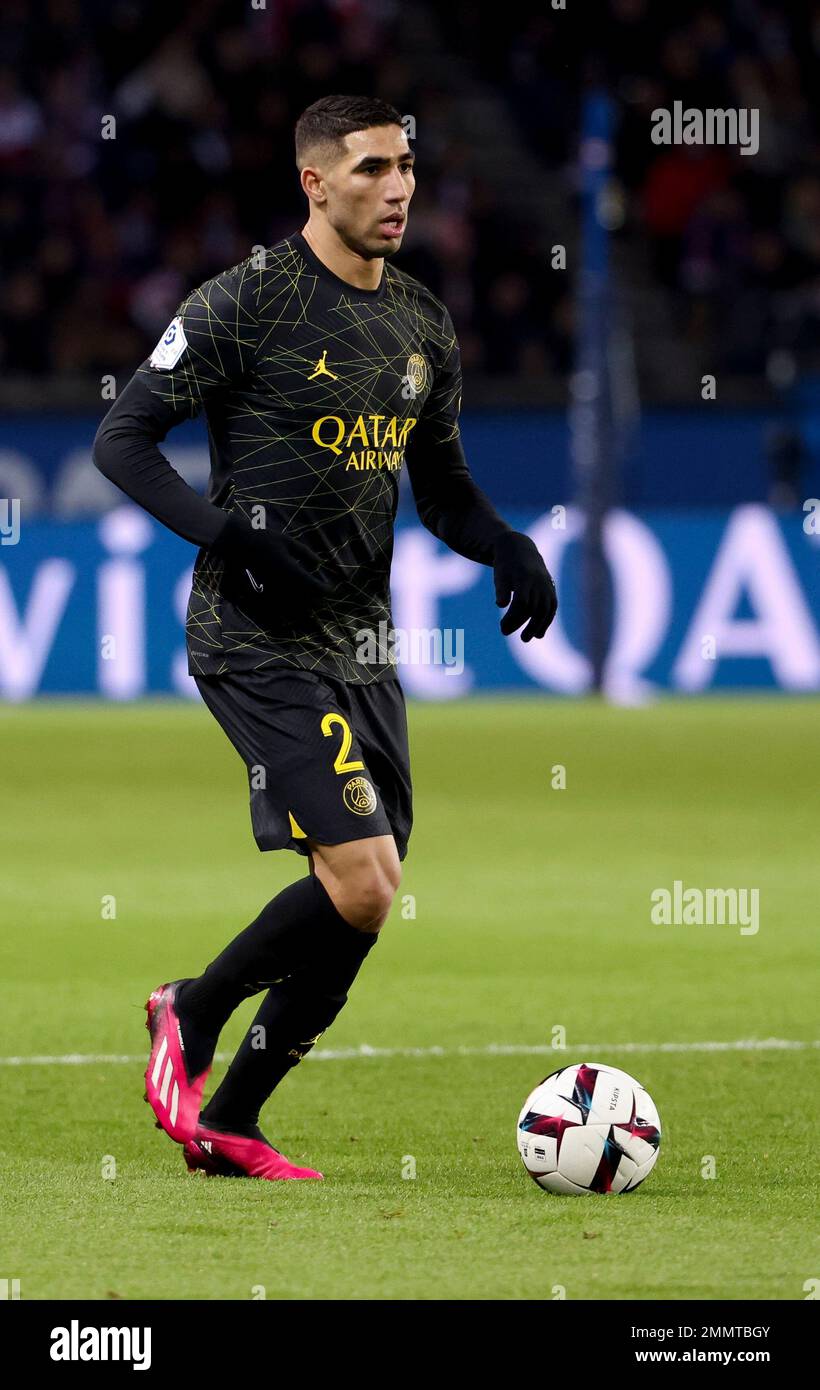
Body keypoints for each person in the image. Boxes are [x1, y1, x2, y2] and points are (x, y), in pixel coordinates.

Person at [93, 94, 557, 1181]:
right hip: (251, 633)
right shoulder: (244, 304)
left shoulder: (420, 324)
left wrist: (506, 544)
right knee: (359, 879)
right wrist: (232, 541)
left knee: (365, 896)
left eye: (405, 165)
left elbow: (439, 491)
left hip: (366, 645)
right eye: (370, 169)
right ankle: (190, 1012)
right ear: (315, 181)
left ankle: (233, 1121)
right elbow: (123, 442)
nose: (397, 188)